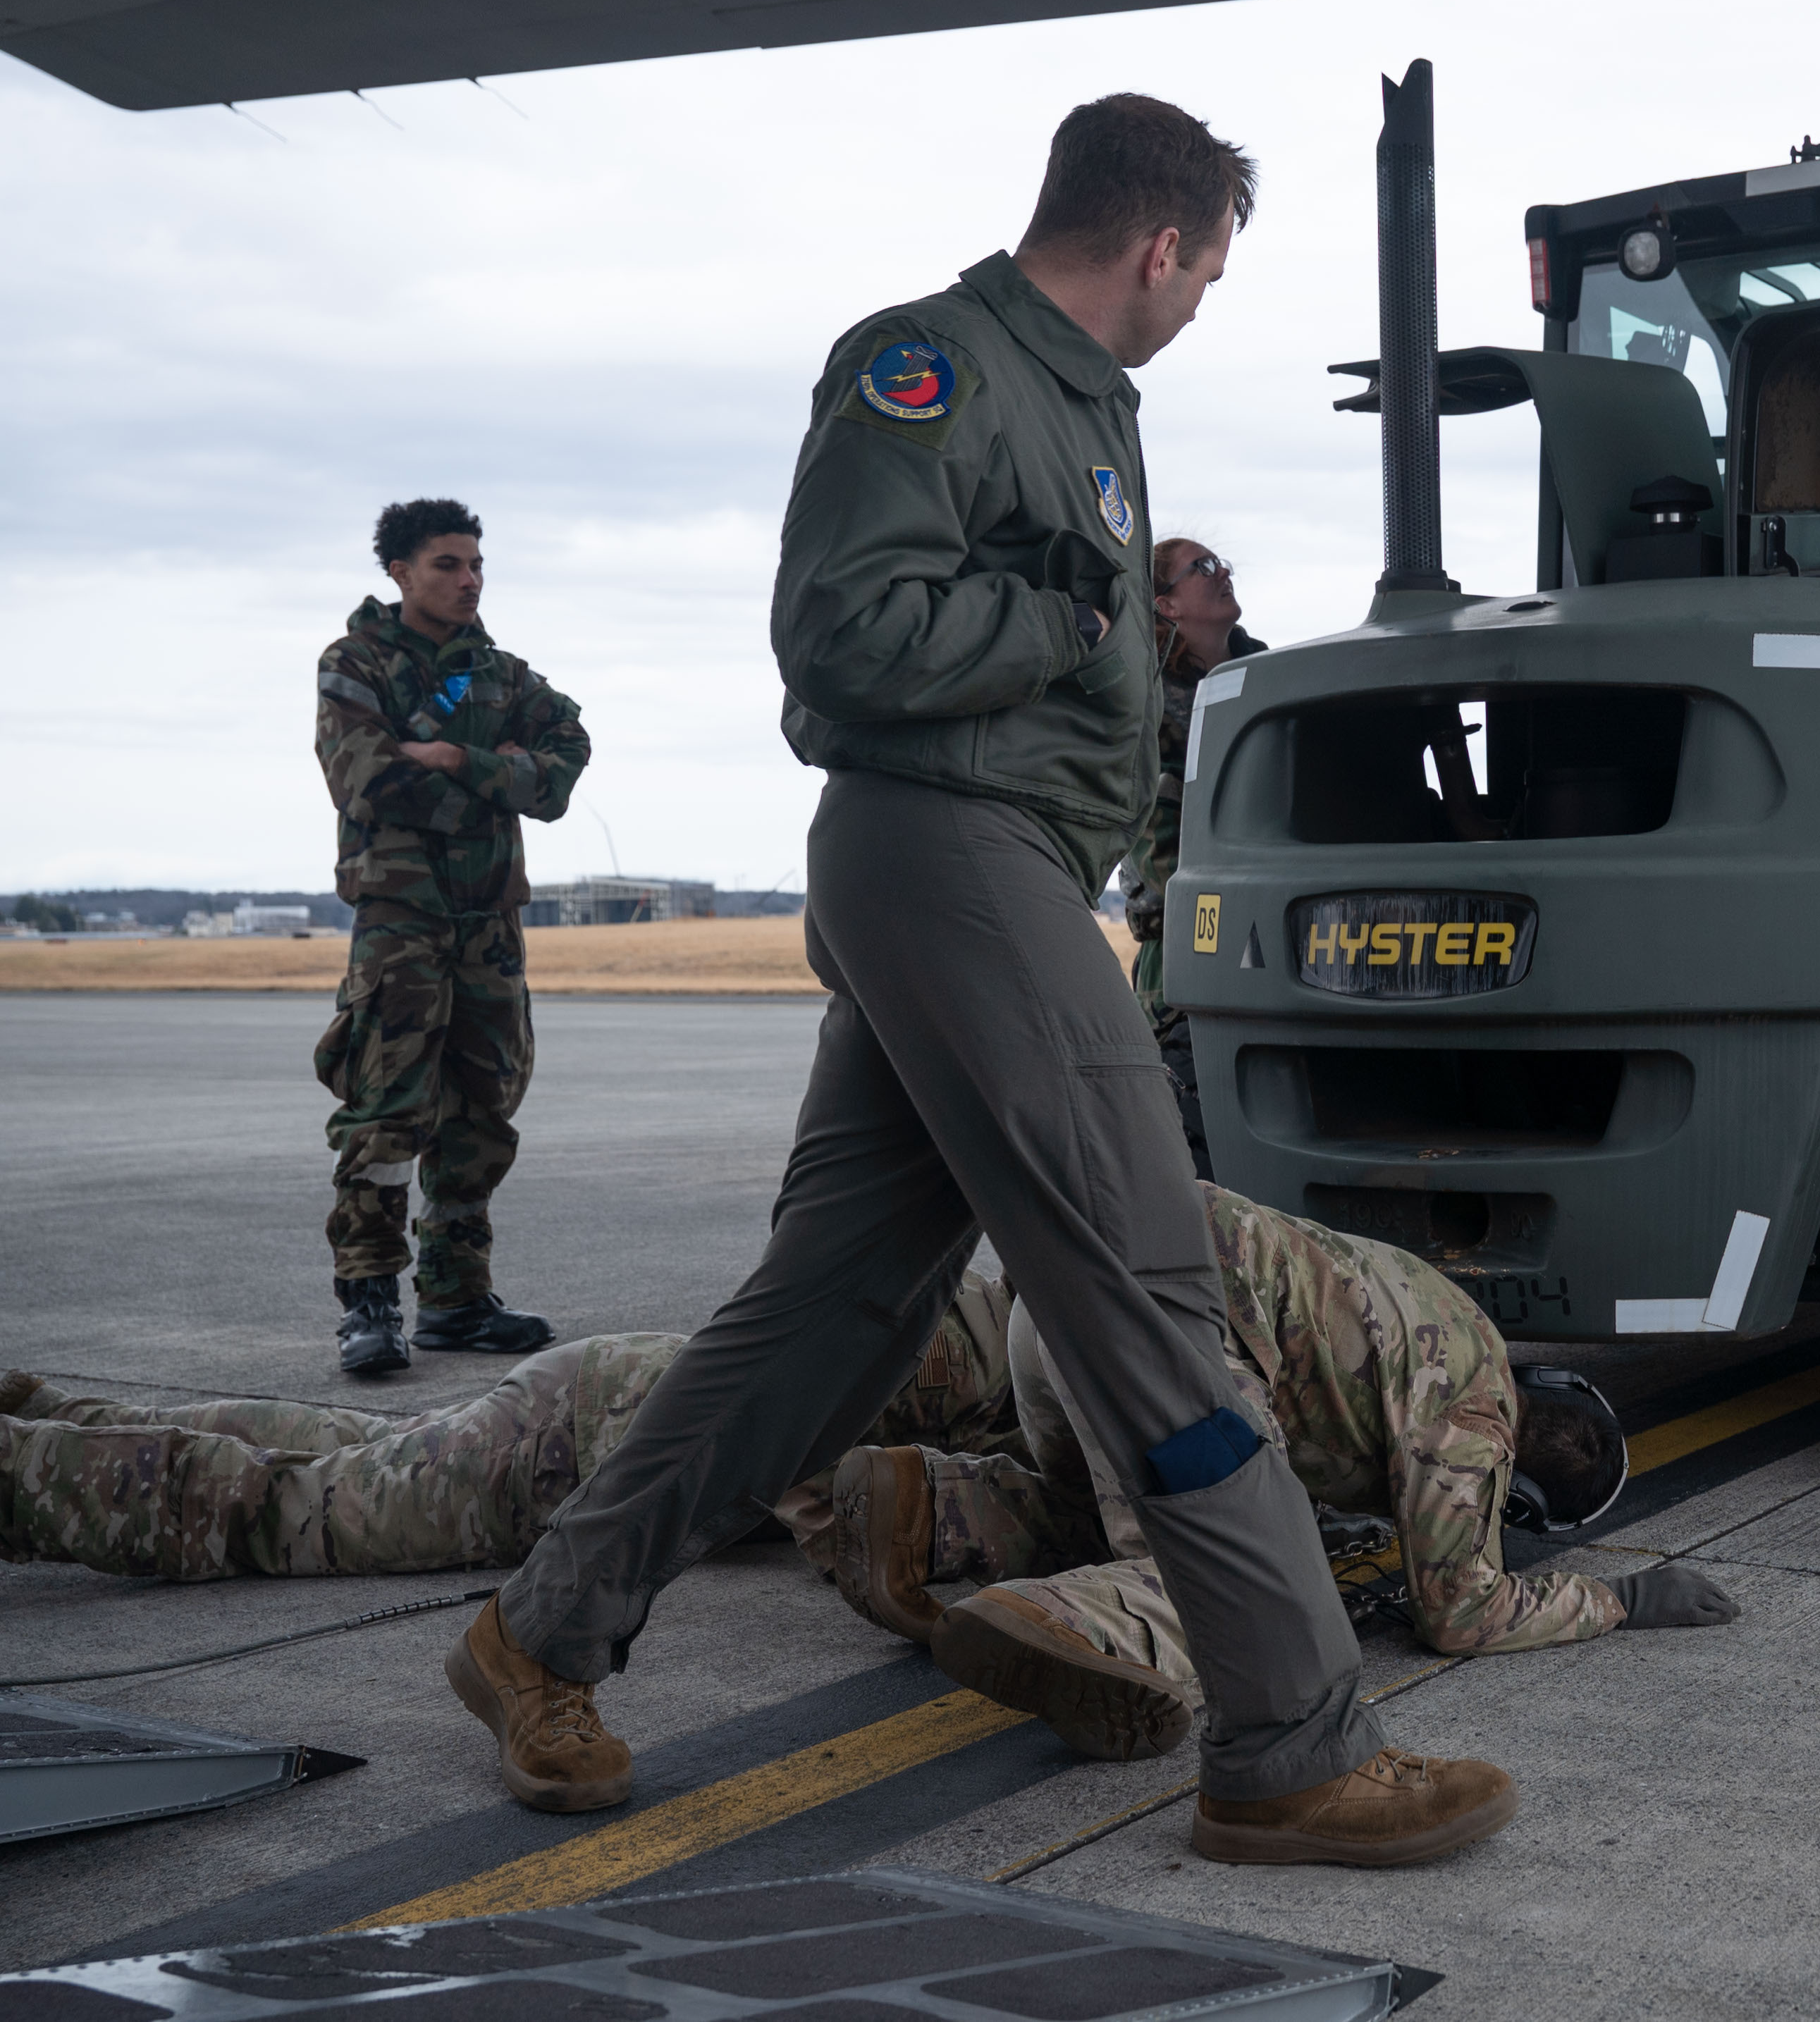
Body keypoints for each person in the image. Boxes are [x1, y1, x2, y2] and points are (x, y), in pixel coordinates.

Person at [443, 94, 1516, 1868]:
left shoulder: (1084, 405)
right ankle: (1291, 1744)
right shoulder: (928, 367)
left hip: (996, 865)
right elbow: (837, 639)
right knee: (1145, 1283)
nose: (1199, 305)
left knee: (829, 1315)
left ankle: (535, 1638)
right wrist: (1067, 623)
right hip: (947, 850)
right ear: (1160, 242)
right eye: (1207, 273)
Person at [815, 1184, 1738, 1765]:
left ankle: (926, 1509)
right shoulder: (1471, 1423)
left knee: (1087, 1505)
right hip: (1166, 1324)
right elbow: (1461, 1611)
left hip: (1078, 1279)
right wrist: (1625, 1599)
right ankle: (1073, 1622)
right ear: (1517, 1493)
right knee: (1235, 1567)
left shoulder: (1458, 1317)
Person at [0, 1269, 1081, 1580]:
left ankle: (48, 1411)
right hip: (603, 1445)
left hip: (615, 1399)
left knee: (337, 1445)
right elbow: (825, 1481)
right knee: (286, 1513)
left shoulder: (1035, 1309)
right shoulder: (1033, 1364)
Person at [314, 500, 589, 1375]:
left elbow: (565, 765)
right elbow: (367, 782)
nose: (469, 579)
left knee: (483, 1111)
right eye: (447, 564)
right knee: (386, 1115)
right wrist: (498, 783)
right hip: (402, 924)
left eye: (476, 564)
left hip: (489, 925)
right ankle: (368, 1302)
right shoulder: (355, 663)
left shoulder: (504, 675)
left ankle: (457, 1297)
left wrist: (461, 761)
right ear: (399, 570)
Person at [1117, 538, 1267, 1175]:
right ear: (1165, 604)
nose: (1221, 573)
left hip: (1266, 937)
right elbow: (1157, 845)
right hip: (1186, 943)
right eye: (1201, 568)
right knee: (1184, 1150)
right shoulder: (1151, 698)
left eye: (1222, 562)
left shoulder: (1263, 676)